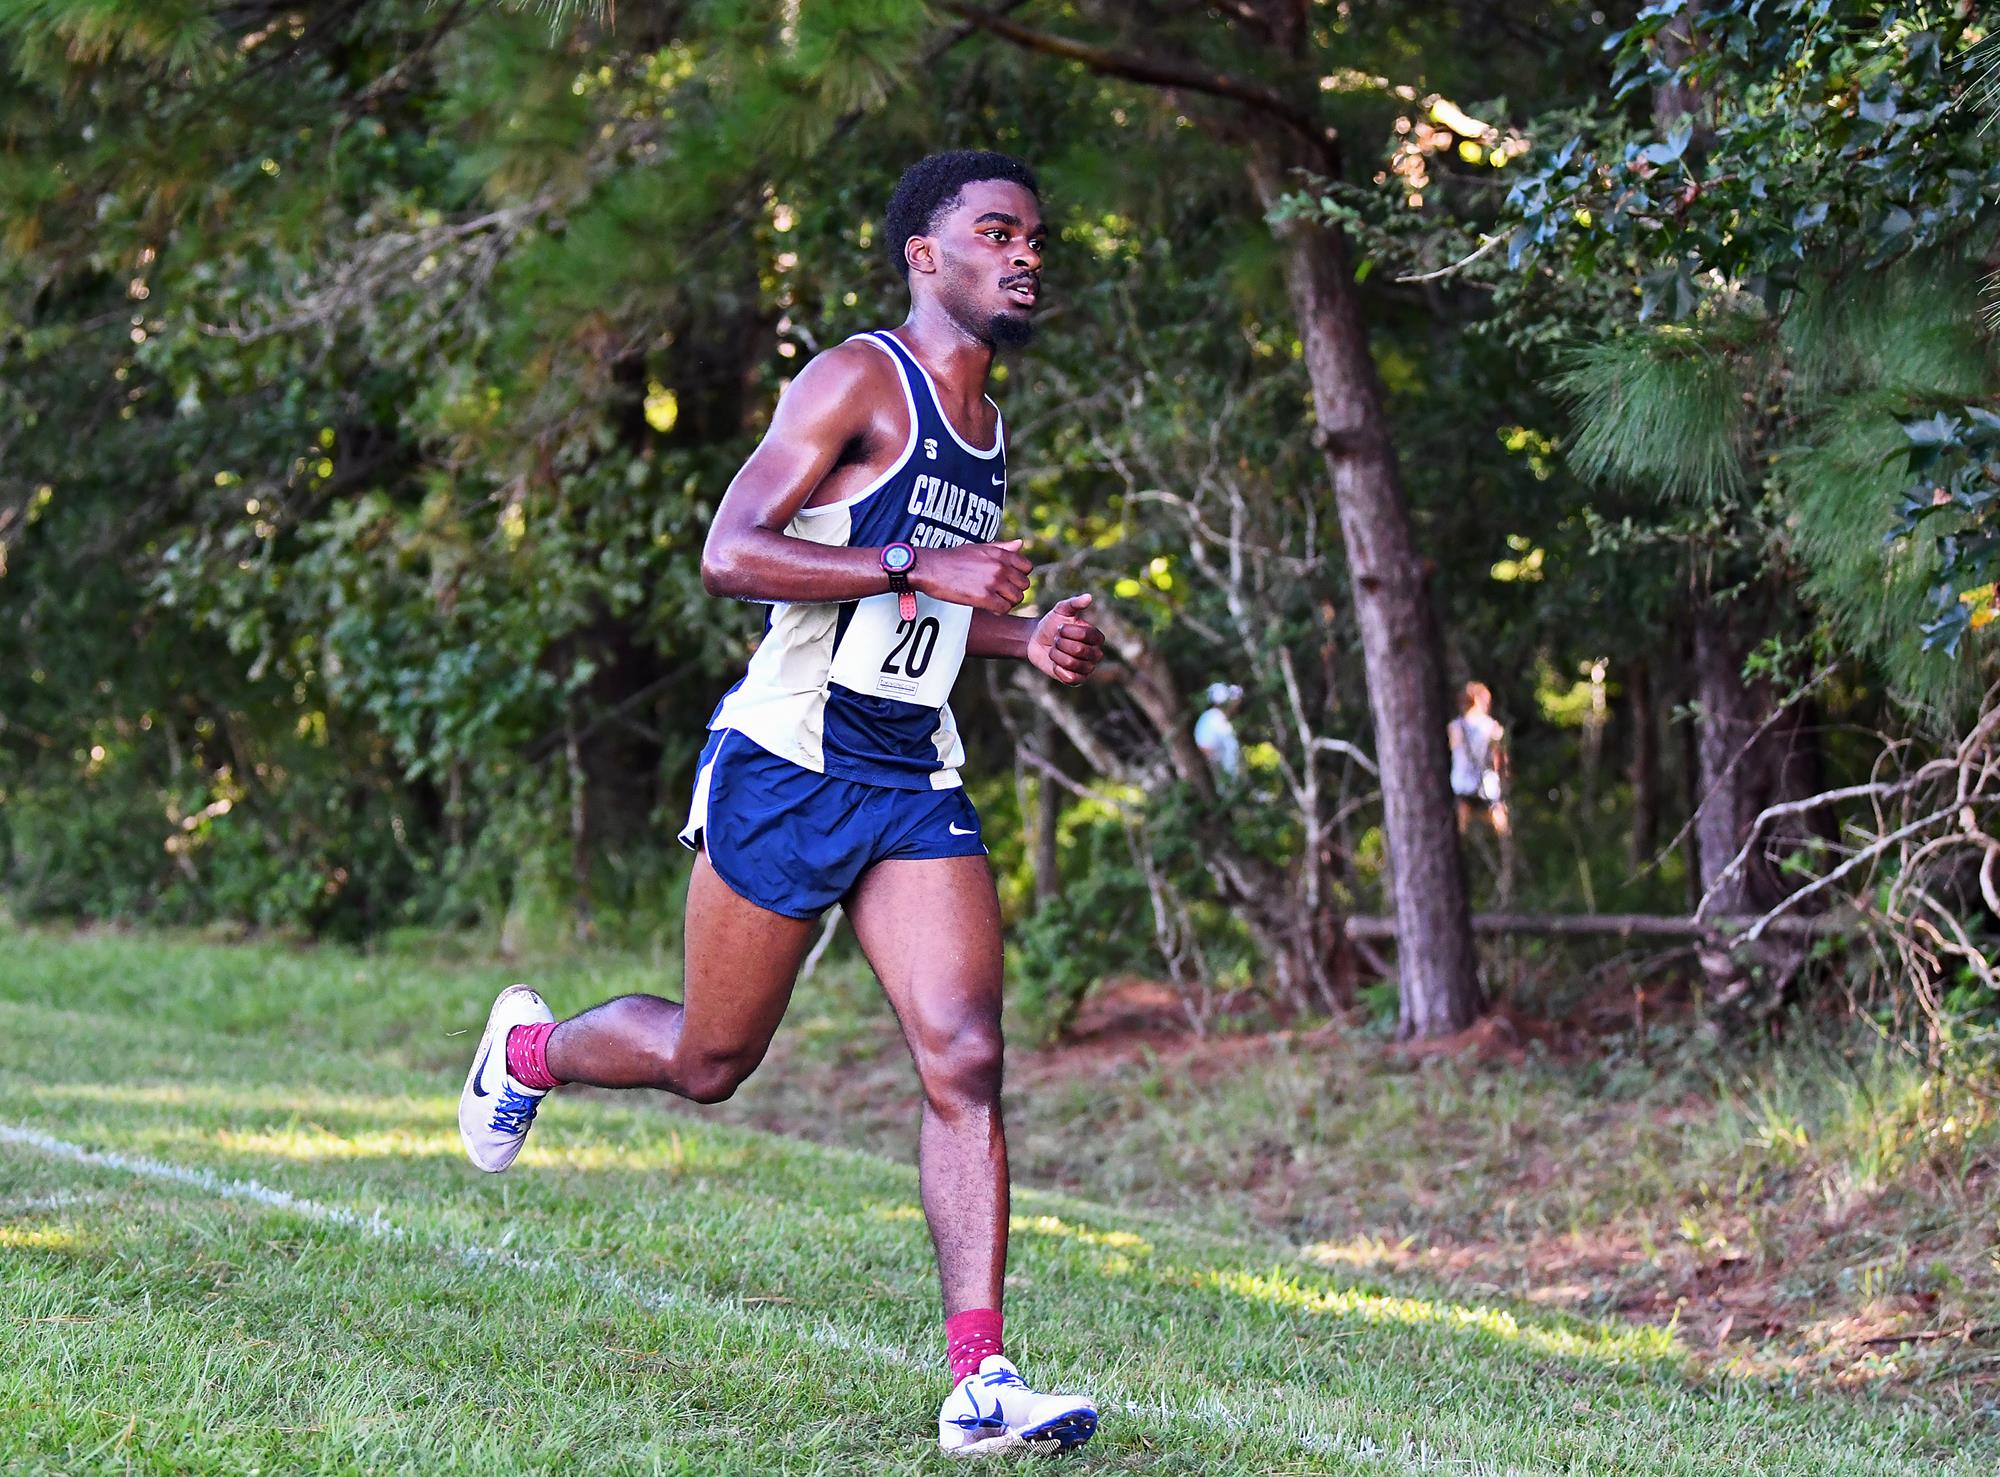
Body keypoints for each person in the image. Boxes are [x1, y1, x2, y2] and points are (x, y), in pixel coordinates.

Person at [457, 150, 1106, 1456]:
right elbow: (733, 554)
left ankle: (979, 1382)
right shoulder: (860, 377)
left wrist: (1016, 636)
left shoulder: (987, 423)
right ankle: (526, 1054)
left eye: (1035, 236)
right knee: (709, 1061)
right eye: (997, 232)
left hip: (910, 775)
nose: (1026, 253)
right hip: (788, 763)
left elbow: (903, 609)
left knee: (967, 1054)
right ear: (928, 257)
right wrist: (927, 558)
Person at [1448, 681, 1513, 893]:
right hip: (1487, 787)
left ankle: (1457, 873)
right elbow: (1500, 760)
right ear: (1476, 699)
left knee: (1458, 834)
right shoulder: (1492, 728)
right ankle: (1508, 873)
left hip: (1461, 784)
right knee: (1503, 831)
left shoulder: (1455, 727)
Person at [1193, 681, 1244, 779]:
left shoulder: (1209, 716)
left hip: (1215, 758)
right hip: (1216, 760)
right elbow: (1231, 746)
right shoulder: (1216, 718)